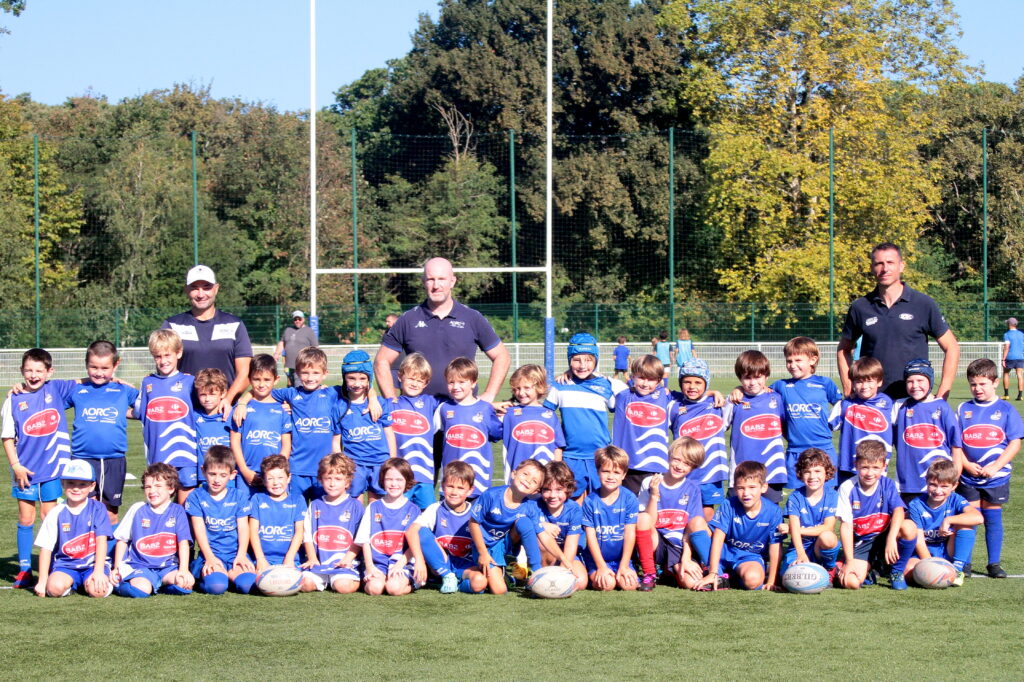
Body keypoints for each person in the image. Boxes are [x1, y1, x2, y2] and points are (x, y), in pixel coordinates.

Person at [374, 258, 511, 402]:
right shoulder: (408, 319)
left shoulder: (472, 318)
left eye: (441, 279)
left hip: (461, 411)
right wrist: (391, 401)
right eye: (430, 279)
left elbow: (502, 356)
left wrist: (489, 394)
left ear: (452, 281)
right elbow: (381, 361)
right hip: (418, 413)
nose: (436, 285)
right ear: (423, 282)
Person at [837, 243, 959, 400]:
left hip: (914, 400)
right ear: (872, 268)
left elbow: (952, 347)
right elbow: (843, 350)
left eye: (890, 263)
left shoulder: (923, 304)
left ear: (901, 266)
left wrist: (942, 393)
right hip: (873, 401)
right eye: (879, 263)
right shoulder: (860, 307)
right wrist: (849, 389)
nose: (885, 268)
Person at [2, 348, 74, 588]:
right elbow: (7, 437)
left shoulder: (56, 389)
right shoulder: (13, 398)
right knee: (26, 517)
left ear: (49, 371)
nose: (33, 375)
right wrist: (16, 466)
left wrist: (115, 379)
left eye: (38, 371)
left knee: (49, 516)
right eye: (28, 370)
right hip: (25, 471)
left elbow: (86, 381)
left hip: (53, 469)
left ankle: (53, 564)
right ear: (22, 371)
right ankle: (24, 569)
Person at [956, 358, 1023, 579]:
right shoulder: (963, 409)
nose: (978, 389)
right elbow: (956, 443)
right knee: (970, 517)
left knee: (993, 517)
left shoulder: (1006, 409)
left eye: (983, 384)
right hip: (969, 477)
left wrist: (996, 466)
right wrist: (966, 464)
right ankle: (964, 562)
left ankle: (993, 563)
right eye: (973, 384)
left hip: (996, 477)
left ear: (995, 383)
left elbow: (1015, 442)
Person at [544, 333, 627, 496]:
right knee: (571, 501)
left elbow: (637, 395)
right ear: (569, 361)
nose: (583, 365)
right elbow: (544, 417)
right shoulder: (560, 386)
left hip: (601, 457)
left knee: (602, 501)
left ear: (596, 360)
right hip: (570, 457)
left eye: (588, 360)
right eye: (576, 360)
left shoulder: (607, 385)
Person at [163, 265, 253, 413]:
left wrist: (227, 400)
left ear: (216, 288)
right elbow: (163, 368)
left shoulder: (234, 324)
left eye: (206, 287)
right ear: (186, 290)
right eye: (194, 288)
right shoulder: (172, 325)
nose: (200, 294)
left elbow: (245, 373)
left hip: (224, 412)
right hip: (184, 413)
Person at [464, 459, 561, 595]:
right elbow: (473, 523)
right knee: (499, 590)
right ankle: (466, 577)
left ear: (536, 490)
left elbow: (542, 535)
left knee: (525, 523)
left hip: (504, 545)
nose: (528, 480)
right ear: (514, 474)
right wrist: (483, 554)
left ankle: (535, 573)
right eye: (525, 474)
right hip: (485, 548)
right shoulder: (491, 495)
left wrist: (564, 560)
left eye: (534, 481)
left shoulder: (530, 507)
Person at [634, 437, 714, 591]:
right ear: (669, 457)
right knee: (642, 517)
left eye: (687, 463)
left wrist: (686, 558)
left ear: (693, 467)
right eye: (677, 460)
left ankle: (670, 571)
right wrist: (654, 494)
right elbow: (648, 522)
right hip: (657, 541)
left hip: (681, 544)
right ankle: (649, 573)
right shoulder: (651, 482)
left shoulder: (693, 489)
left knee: (691, 583)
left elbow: (691, 528)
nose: (679, 466)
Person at [836, 441, 917, 590]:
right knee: (851, 583)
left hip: (885, 536)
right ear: (856, 465)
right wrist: (849, 561)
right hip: (863, 542)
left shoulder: (887, 484)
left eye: (875, 468)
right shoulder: (847, 487)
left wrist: (892, 538)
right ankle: (869, 570)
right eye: (865, 467)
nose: (870, 473)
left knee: (909, 527)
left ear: (884, 466)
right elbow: (846, 526)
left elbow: (899, 511)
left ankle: (896, 572)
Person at [763, 337, 843, 488]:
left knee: (828, 495)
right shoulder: (781, 386)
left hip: (823, 449)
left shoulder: (825, 383)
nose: (792, 365)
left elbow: (841, 405)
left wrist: (832, 424)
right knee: (798, 497)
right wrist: (739, 390)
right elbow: (759, 391)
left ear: (812, 360)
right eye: (789, 361)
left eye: (798, 360)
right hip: (795, 451)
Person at [695, 461, 783, 591]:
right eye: (741, 488)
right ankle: (717, 575)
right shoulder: (728, 505)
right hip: (725, 552)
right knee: (696, 524)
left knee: (753, 580)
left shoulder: (774, 511)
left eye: (752, 487)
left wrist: (771, 581)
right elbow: (718, 539)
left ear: (763, 487)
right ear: (735, 488)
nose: (746, 493)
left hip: (749, 557)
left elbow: (776, 547)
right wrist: (713, 572)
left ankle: (731, 577)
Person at [111, 463, 194, 598]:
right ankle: (121, 585)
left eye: (158, 486)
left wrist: (184, 570)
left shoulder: (178, 510)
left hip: (168, 567)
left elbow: (183, 542)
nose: (152, 491)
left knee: (186, 583)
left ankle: (162, 583)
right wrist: (117, 568)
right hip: (141, 567)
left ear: (171, 488)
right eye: (148, 486)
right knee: (142, 589)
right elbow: (122, 540)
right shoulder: (137, 509)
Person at [33, 460, 113, 598]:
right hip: (66, 565)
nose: (76, 489)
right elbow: (45, 548)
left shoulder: (98, 508)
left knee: (98, 591)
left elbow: (101, 540)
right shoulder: (56, 512)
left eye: (82, 484)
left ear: (92, 486)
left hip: (92, 564)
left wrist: (99, 571)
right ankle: (72, 586)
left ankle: (101, 580)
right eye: (71, 483)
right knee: (53, 589)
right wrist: (42, 581)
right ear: (63, 483)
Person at [136, 330, 198, 504]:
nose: (163, 361)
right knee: (159, 505)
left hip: (186, 455)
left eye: (167, 355)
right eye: (158, 356)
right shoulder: (148, 383)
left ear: (179, 353)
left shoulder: (190, 382)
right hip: (159, 454)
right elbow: (139, 412)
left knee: (186, 507)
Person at [185, 447, 257, 595]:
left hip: (234, 554)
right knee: (217, 587)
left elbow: (243, 528)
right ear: (203, 471)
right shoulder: (196, 496)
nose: (217, 480)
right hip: (211, 554)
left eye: (223, 475)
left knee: (248, 585)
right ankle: (206, 576)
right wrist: (210, 558)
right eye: (212, 474)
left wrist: (242, 554)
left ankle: (229, 574)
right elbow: (199, 531)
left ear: (232, 475)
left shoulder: (239, 496)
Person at [331, 349, 396, 500]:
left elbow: (389, 434)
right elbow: (336, 441)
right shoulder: (339, 407)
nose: (357, 383)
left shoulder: (379, 404)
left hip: (380, 462)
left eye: (362, 378)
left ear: (369, 380)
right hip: (355, 466)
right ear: (344, 378)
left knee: (376, 508)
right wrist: (342, 464)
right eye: (351, 378)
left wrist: (392, 460)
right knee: (355, 508)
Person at [892, 359, 962, 500]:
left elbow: (956, 447)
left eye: (920, 380)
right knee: (908, 521)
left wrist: (954, 478)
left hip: (939, 482)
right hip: (908, 482)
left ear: (930, 381)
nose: (915, 386)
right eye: (910, 381)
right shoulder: (899, 406)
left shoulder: (942, 407)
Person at [905, 460, 981, 587]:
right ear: (926, 481)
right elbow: (919, 540)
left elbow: (978, 518)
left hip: (948, 550)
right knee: (908, 572)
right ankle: (939, 574)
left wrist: (949, 520)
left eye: (944, 486)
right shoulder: (916, 504)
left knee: (967, 523)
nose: (938, 491)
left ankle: (957, 569)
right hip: (925, 551)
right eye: (933, 485)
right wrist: (931, 564)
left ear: (954, 486)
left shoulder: (956, 499)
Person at [434, 357, 503, 498]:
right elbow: (432, 437)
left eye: (461, 382)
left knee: (476, 519)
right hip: (451, 482)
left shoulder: (485, 408)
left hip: (479, 482)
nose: (455, 387)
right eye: (451, 382)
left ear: (473, 382)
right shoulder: (443, 409)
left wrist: (501, 417)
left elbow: (497, 434)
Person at [669, 359, 729, 519]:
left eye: (698, 382)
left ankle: (705, 540)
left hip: (710, 471)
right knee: (682, 509)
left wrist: (713, 393)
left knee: (706, 508)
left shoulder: (717, 403)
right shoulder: (673, 405)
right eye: (687, 382)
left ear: (706, 383)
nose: (692, 386)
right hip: (682, 470)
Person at [406, 461, 478, 594]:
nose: (454, 492)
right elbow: (411, 532)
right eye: (450, 486)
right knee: (421, 531)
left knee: (479, 582)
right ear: (442, 486)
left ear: (470, 490)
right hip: (440, 563)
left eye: (460, 488)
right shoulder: (435, 508)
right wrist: (420, 561)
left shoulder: (475, 512)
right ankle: (446, 576)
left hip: (465, 564)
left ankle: (456, 581)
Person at [300, 452, 365, 594]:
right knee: (304, 585)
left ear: (347, 482)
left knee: (343, 587)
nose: (332, 483)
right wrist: (312, 558)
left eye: (338, 479)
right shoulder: (315, 505)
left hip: (345, 564)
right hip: (320, 564)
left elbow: (361, 538)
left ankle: (347, 579)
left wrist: (348, 559)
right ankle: (324, 580)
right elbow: (308, 537)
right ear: (321, 480)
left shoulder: (356, 506)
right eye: (328, 478)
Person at [727, 350, 786, 503]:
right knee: (737, 517)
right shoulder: (734, 401)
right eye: (747, 378)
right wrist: (735, 390)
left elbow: (786, 426)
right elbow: (720, 426)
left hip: (772, 472)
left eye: (758, 377)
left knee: (771, 515)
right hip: (740, 472)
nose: (752, 383)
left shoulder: (776, 398)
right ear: (740, 377)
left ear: (766, 376)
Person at [355, 458, 421, 596]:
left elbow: (413, 545)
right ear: (382, 481)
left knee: (393, 588)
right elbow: (364, 540)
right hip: (377, 563)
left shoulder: (414, 510)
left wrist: (399, 565)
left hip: (402, 562)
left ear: (407, 481)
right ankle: (371, 580)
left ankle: (414, 583)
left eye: (399, 479)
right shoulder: (373, 507)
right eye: (389, 479)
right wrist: (370, 566)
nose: (394, 484)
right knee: (375, 589)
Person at [229, 354, 292, 494]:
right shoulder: (241, 409)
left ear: (276, 380)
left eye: (267, 379)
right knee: (244, 513)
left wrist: (276, 471)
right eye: (257, 379)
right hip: (246, 474)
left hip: (273, 477)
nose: (261, 384)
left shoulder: (282, 409)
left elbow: (286, 445)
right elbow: (234, 441)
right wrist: (244, 470)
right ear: (250, 379)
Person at [612, 354, 673, 494]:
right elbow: (596, 381)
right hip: (628, 464)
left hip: (656, 466)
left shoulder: (666, 396)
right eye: (641, 377)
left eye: (651, 379)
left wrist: (713, 393)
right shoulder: (623, 396)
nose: (645, 383)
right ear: (633, 376)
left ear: (659, 380)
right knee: (630, 508)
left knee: (653, 509)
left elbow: (690, 397)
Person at [582, 446, 640, 592]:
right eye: (605, 471)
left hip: (621, 559)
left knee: (630, 585)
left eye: (616, 472)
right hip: (597, 560)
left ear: (624, 474)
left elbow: (629, 533)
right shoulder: (590, 501)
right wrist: (601, 567)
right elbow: (591, 537)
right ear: (598, 472)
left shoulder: (629, 499)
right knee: (607, 584)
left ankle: (621, 569)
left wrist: (624, 565)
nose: (610, 476)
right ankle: (592, 575)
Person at [828, 357, 894, 484]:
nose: (864, 386)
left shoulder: (888, 404)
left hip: (877, 467)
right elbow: (826, 428)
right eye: (859, 382)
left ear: (879, 381)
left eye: (869, 381)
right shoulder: (845, 405)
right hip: (849, 467)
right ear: (852, 383)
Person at [780, 448, 840, 579]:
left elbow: (827, 527)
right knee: (787, 577)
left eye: (817, 471)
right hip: (800, 546)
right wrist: (801, 554)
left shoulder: (832, 496)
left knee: (828, 537)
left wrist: (793, 530)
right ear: (801, 474)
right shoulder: (795, 497)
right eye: (807, 472)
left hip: (821, 546)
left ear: (827, 472)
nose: (812, 476)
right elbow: (794, 526)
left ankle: (830, 568)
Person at [391, 353, 440, 510]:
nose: (415, 383)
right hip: (398, 476)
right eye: (411, 378)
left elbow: (460, 405)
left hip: (424, 476)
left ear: (426, 383)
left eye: (420, 381)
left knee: (428, 520)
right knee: (398, 518)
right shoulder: (389, 404)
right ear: (400, 376)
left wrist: (492, 405)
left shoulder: (431, 403)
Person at [501, 364, 565, 479]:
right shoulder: (508, 413)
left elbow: (558, 447)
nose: (521, 393)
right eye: (517, 388)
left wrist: (556, 471)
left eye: (526, 388)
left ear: (539, 387)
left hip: (544, 478)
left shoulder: (549, 415)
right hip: (516, 476)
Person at [537, 461, 589, 591]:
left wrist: (562, 573)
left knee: (581, 582)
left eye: (559, 489)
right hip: (545, 554)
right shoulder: (535, 506)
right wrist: (541, 524)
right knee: (542, 539)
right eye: (547, 489)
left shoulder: (574, 510)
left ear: (568, 489)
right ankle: (539, 572)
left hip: (567, 555)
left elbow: (571, 545)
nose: (553, 495)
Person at [248, 454, 305, 572]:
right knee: (251, 584)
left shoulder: (298, 500)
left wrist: (289, 558)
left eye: (280, 477)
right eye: (270, 478)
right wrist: (260, 559)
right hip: (264, 559)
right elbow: (252, 531)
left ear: (289, 478)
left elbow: (299, 531)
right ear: (263, 480)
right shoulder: (257, 499)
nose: (275, 482)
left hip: (289, 559)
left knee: (300, 584)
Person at [193, 369, 232, 485]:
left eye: (212, 394)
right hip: (204, 477)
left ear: (223, 393)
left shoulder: (231, 414)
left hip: (228, 478)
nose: (207, 399)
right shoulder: (194, 416)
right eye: (203, 394)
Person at [274, 310, 318, 388]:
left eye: (299, 319)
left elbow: (315, 348)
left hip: (302, 366)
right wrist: (276, 354)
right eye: (295, 319)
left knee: (299, 387)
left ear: (303, 319)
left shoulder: (309, 331)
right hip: (289, 366)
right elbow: (282, 343)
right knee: (291, 387)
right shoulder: (288, 330)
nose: (297, 321)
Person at [1002, 317, 1024, 400]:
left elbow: (1007, 347)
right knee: (1020, 375)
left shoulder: (1007, 334)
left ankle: (1006, 394)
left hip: (1010, 357)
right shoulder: (1022, 334)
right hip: (1020, 357)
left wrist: (1003, 359)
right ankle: (1020, 395)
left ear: (1009, 324)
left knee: (1006, 373)